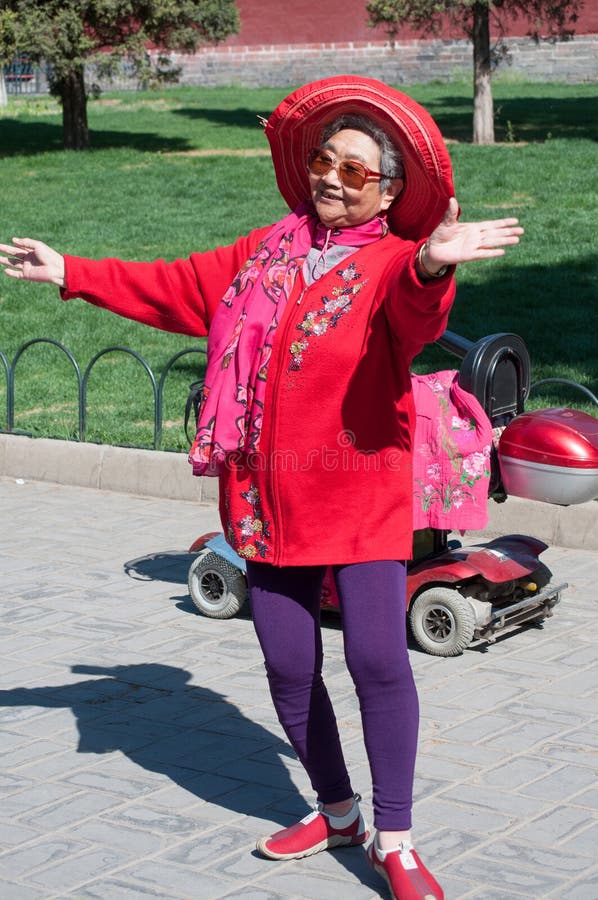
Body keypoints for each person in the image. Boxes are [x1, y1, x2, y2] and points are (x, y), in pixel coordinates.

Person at [1, 75, 523, 900]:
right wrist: (70, 268)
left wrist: (429, 266)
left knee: (379, 659)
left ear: (387, 191)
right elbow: (174, 286)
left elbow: (417, 316)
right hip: (263, 499)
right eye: (324, 159)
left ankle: (396, 838)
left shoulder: (391, 264)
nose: (330, 178)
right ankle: (339, 809)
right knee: (287, 665)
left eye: (355, 171)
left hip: (357, 495)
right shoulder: (264, 252)